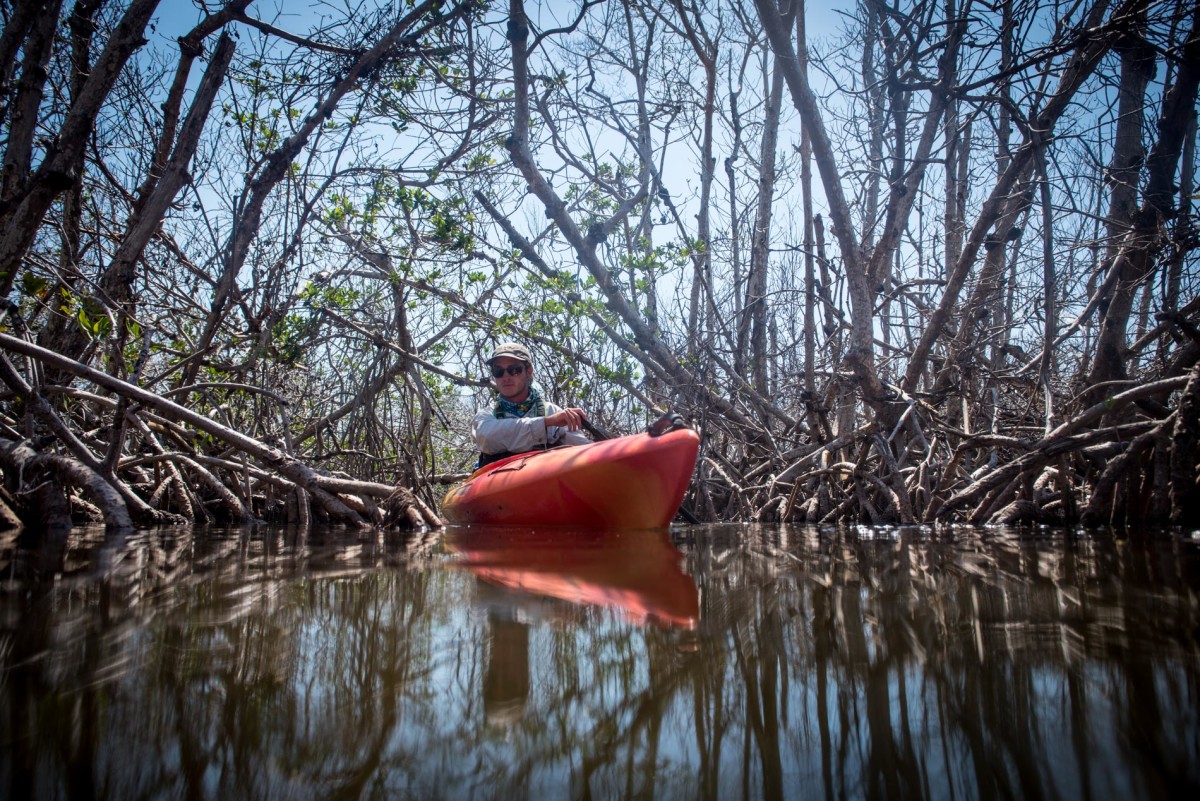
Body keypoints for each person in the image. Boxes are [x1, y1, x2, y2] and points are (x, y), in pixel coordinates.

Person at [472, 342, 591, 467]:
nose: (505, 377)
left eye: (514, 370)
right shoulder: (485, 416)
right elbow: (488, 438)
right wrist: (546, 422)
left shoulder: (552, 410)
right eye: (498, 371)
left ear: (528, 371)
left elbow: (583, 449)